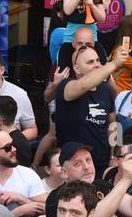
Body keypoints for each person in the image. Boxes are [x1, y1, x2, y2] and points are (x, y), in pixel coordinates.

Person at [53, 42, 127, 176]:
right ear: (76, 68)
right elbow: (83, 85)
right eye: (90, 62)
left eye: (98, 60)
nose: (97, 65)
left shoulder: (107, 90)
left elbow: (114, 124)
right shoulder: (65, 86)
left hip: (101, 164)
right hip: (73, 166)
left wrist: (116, 154)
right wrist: (114, 64)